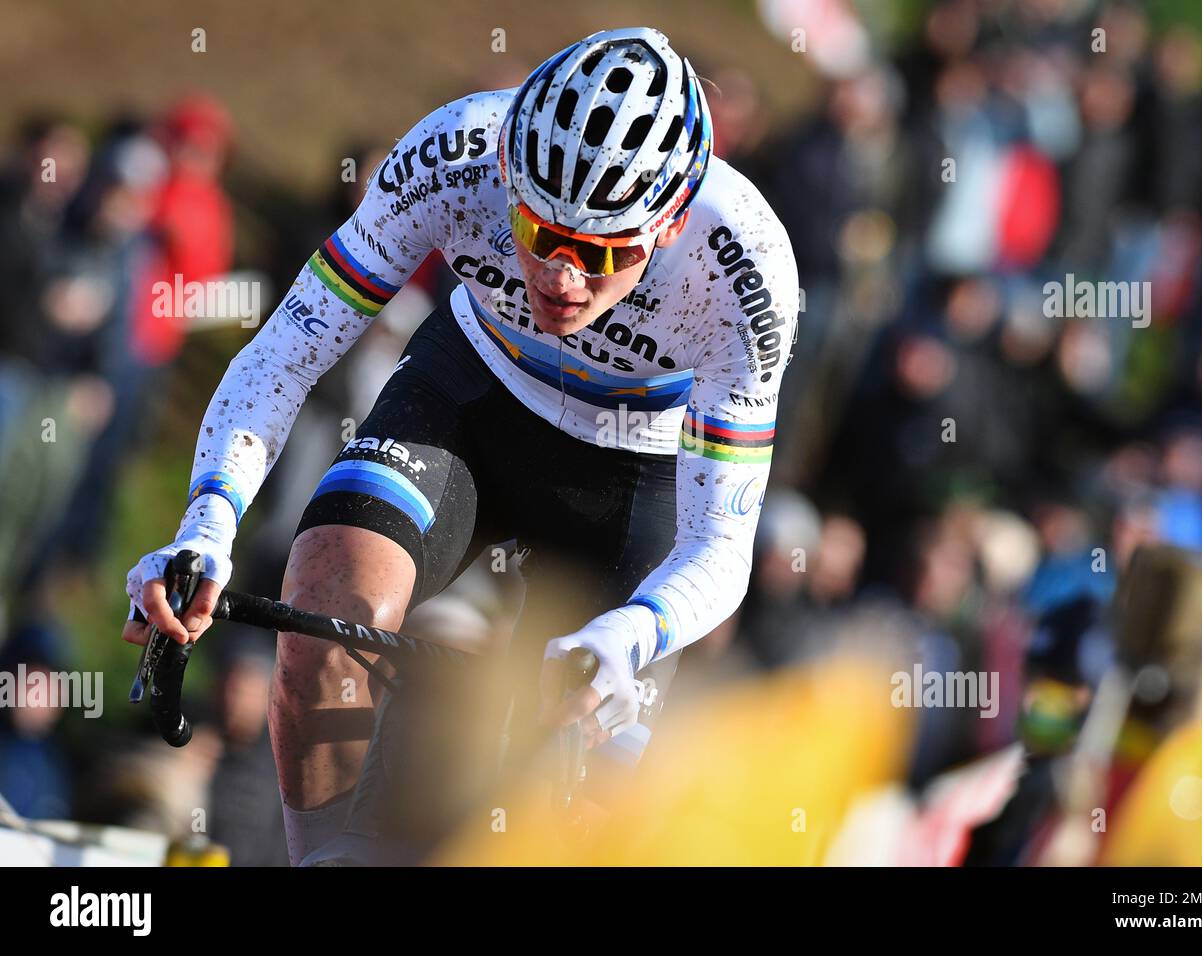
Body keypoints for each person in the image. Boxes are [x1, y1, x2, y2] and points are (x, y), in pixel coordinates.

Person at [122, 28, 798, 865]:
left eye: (599, 253)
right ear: (508, 176)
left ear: (667, 229)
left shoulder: (745, 267)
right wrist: (208, 525)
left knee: (575, 784)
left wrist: (633, 634)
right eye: (538, 231)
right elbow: (287, 350)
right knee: (326, 601)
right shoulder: (456, 153)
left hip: (636, 468)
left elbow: (719, 546)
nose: (560, 276)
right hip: (474, 392)